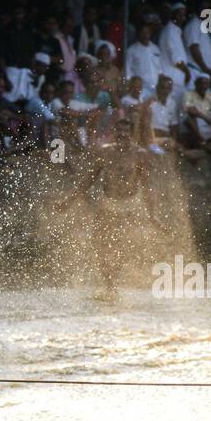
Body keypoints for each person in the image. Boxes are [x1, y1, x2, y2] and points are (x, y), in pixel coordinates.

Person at [59, 113, 162, 299]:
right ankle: (109, 285)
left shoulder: (140, 155)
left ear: (131, 134)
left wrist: (152, 215)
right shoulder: (105, 151)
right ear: (115, 133)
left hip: (130, 205)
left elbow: (147, 186)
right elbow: (88, 180)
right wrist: (68, 201)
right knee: (100, 244)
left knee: (121, 245)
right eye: (119, 131)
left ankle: (113, 282)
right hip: (107, 203)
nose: (122, 135)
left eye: (126, 132)